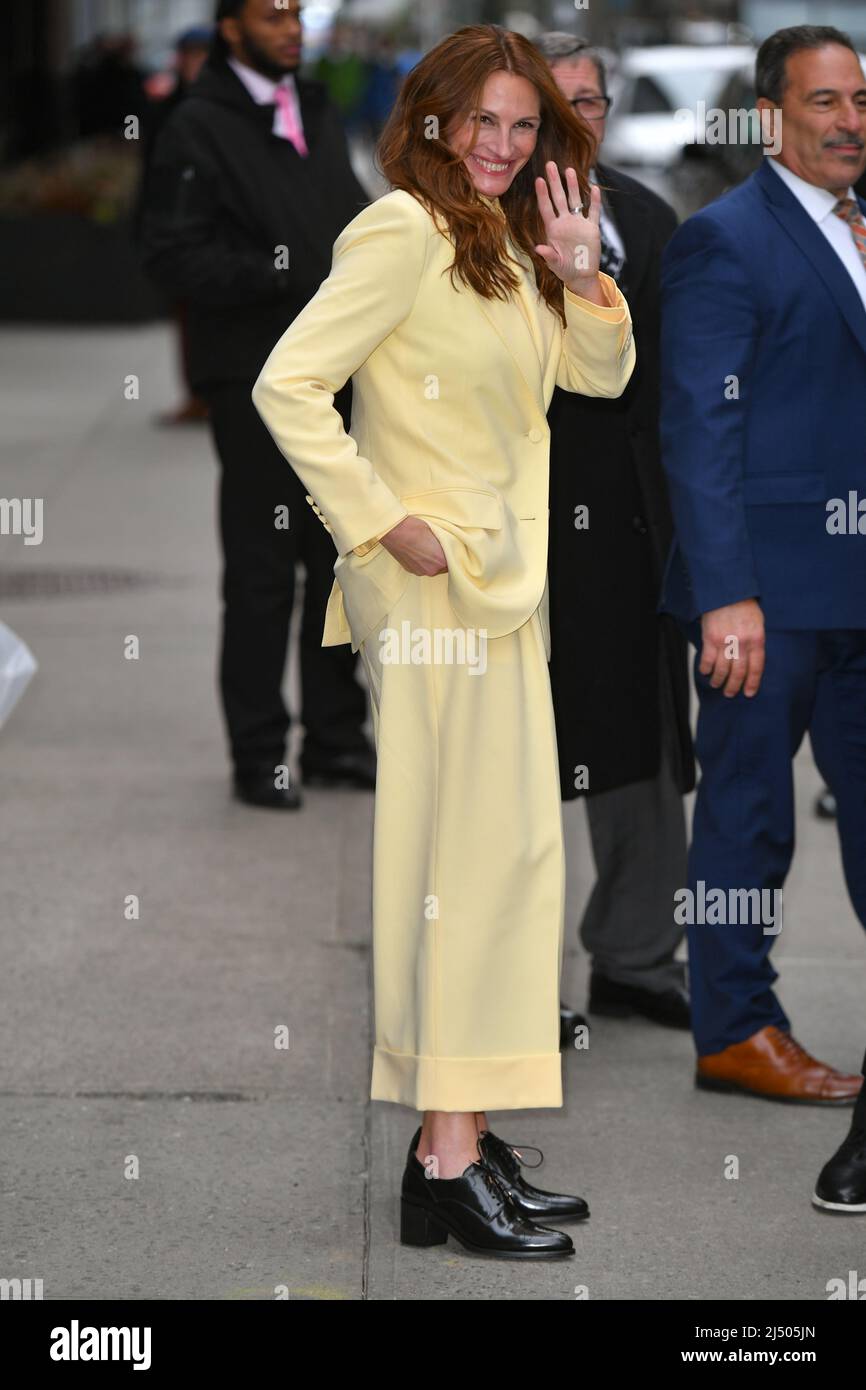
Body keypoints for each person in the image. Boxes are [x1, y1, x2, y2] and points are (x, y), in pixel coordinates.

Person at [252, 23, 635, 1258]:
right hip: (427, 596)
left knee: (504, 864)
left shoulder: (502, 244)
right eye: (483, 123)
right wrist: (378, 521)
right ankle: (446, 1155)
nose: (503, 146)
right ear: (430, 118)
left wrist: (580, 278)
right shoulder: (401, 230)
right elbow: (286, 384)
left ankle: (449, 1144)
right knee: (458, 867)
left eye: (526, 129)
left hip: (499, 591)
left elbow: (594, 384)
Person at [659, 25, 866, 1103]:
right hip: (765, 601)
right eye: (824, 102)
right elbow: (699, 428)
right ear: (771, 116)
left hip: (856, 583)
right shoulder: (722, 241)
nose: (848, 122)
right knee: (746, 819)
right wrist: (723, 592)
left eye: (859, 101)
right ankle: (733, 1027)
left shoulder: (859, 229)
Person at [139, 0, 375, 809]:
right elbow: (172, 253)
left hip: (336, 376)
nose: (291, 27)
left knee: (340, 563)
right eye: (271, 15)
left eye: (296, 13)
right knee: (263, 572)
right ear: (230, 26)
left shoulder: (311, 104)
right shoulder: (194, 124)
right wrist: (287, 275)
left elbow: (344, 214)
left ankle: (337, 742)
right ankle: (260, 754)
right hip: (252, 381)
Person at [538, 33, 695, 1042]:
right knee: (512, 761)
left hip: (632, 530)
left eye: (588, 102)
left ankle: (634, 959)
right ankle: (505, 984)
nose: (573, 122)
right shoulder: (469, 229)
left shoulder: (648, 218)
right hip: (519, 533)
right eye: (549, 105)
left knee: (638, 745)